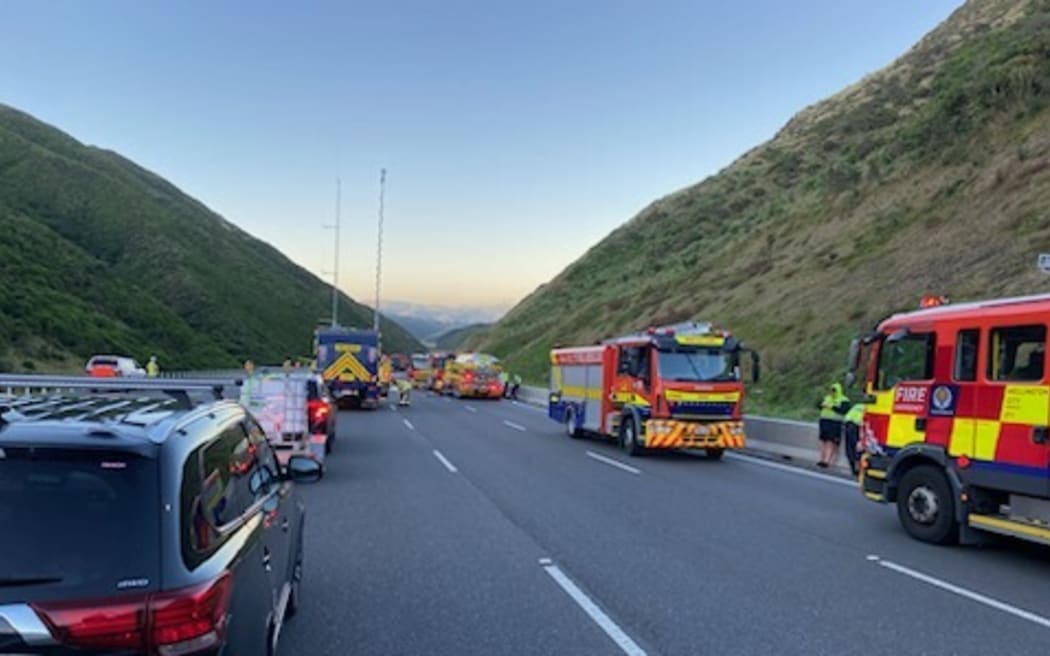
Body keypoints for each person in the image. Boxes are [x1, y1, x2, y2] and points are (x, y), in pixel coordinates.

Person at [816, 382, 850, 468]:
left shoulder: (844, 400)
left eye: (834, 390)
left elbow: (843, 410)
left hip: (834, 423)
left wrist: (831, 406)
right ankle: (822, 459)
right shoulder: (827, 398)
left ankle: (827, 461)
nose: (832, 392)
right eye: (831, 390)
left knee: (831, 442)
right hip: (824, 421)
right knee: (823, 441)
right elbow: (818, 406)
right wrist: (822, 405)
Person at [843, 401, 865, 476]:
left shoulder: (857, 405)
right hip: (858, 427)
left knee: (850, 449)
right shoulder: (868, 408)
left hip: (848, 425)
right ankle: (858, 469)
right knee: (859, 449)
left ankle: (853, 469)